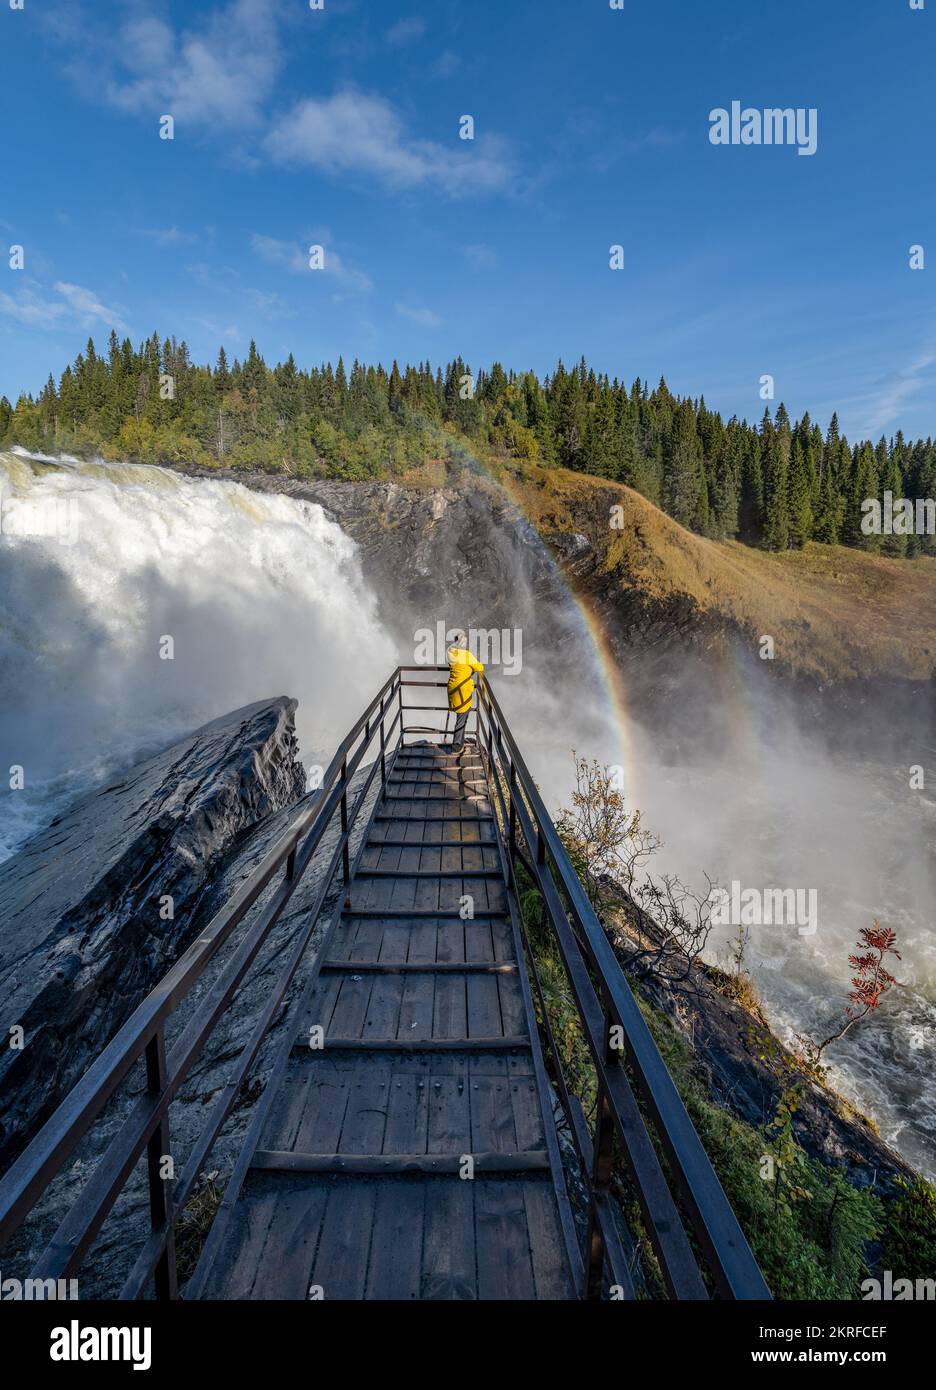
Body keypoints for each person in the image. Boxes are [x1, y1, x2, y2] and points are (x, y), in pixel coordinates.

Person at [446, 630, 484, 751]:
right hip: (462, 690)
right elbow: (480, 667)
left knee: (461, 715)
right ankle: (457, 745)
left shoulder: (451, 654)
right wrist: (471, 670)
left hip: (452, 688)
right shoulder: (467, 655)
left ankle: (460, 741)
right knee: (462, 717)